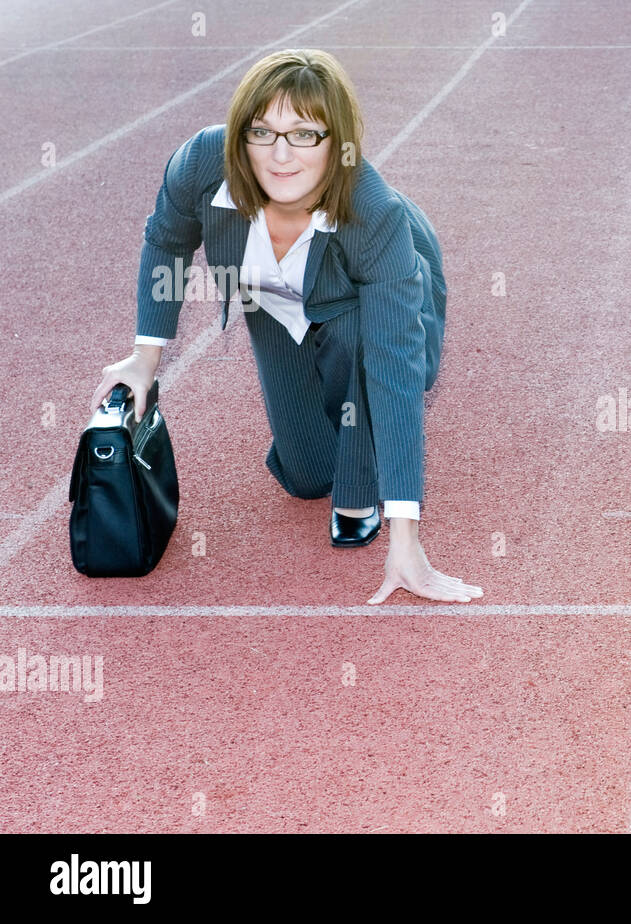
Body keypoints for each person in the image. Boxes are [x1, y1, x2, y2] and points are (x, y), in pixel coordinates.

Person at [90, 49, 482, 605]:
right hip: (272, 299)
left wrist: (407, 539)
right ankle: (336, 464)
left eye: (304, 134)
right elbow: (167, 242)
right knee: (303, 478)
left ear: (337, 142)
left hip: (363, 295)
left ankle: (358, 492)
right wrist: (144, 355)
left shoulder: (375, 214)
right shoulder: (201, 165)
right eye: (262, 132)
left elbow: (396, 366)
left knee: (358, 343)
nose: (280, 155)